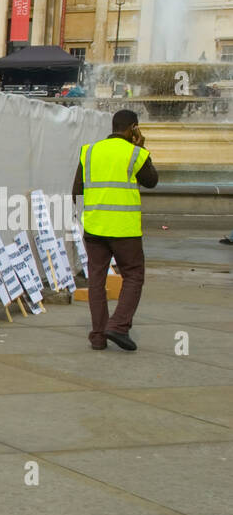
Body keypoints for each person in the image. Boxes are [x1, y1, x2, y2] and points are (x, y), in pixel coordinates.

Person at [71, 108, 158, 351]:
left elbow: (76, 191)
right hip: (125, 229)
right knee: (133, 275)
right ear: (133, 128)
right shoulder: (135, 154)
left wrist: (87, 217)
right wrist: (143, 149)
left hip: (95, 227)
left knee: (96, 280)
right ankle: (118, 326)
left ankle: (98, 336)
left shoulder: (89, 151)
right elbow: (152, 181)